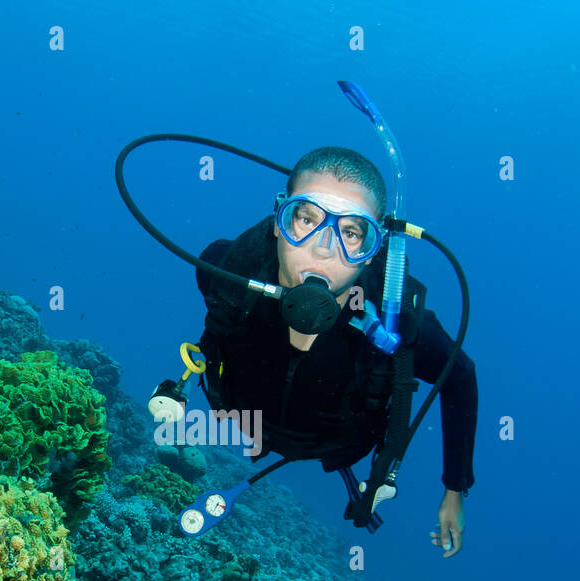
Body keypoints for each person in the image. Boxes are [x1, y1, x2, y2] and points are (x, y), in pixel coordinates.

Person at [193, 146, 477, 556]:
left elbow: (461, 377)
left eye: (351, 232)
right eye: (306, 218)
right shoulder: (227, 271)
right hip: (240, 418)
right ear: (278, 221)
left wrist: (455, 489)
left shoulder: (399, 327)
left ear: (373, 248)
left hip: (338, 445)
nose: (323, 250)